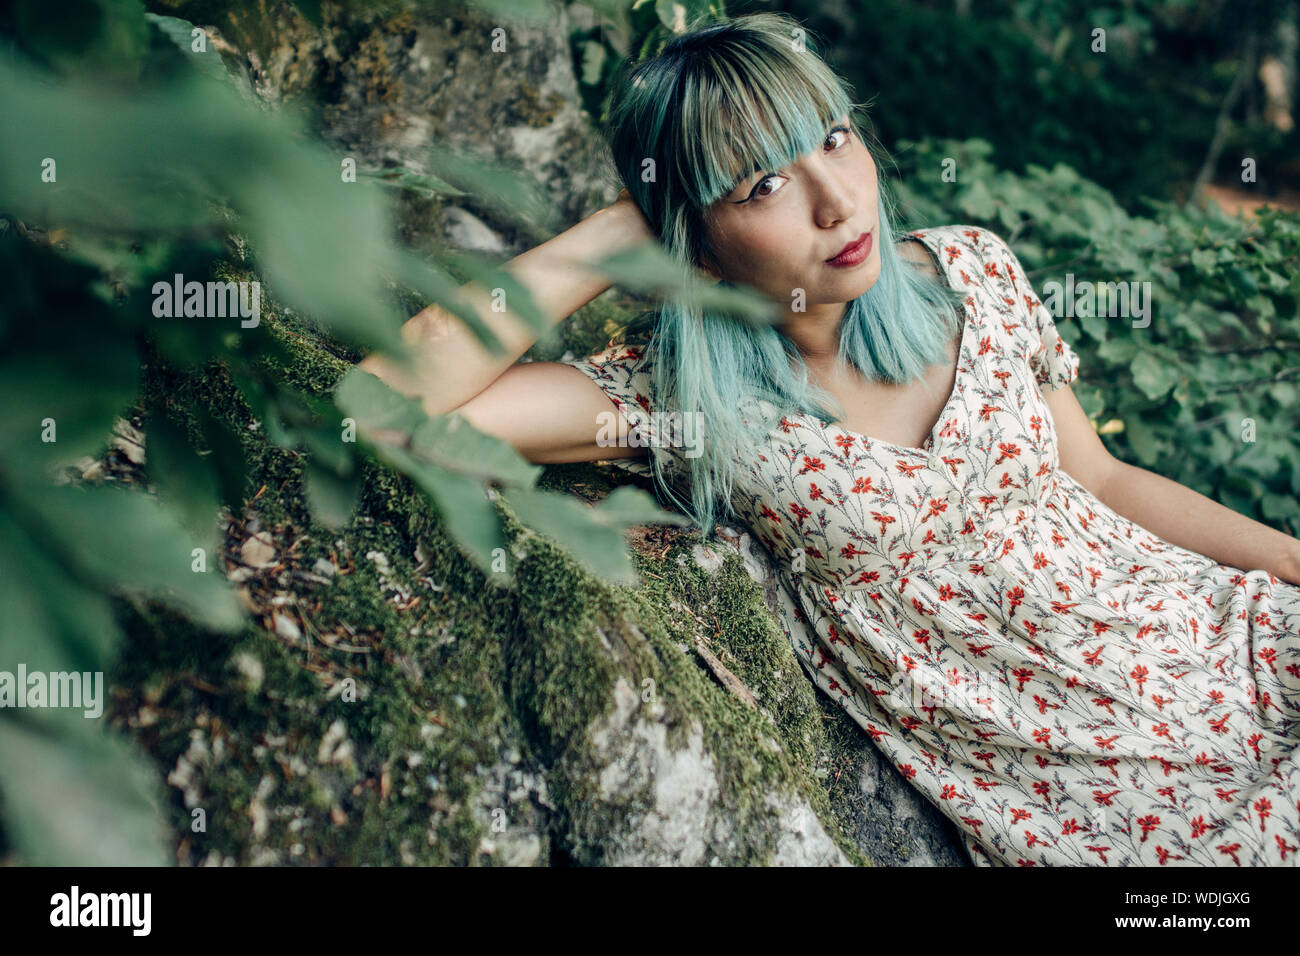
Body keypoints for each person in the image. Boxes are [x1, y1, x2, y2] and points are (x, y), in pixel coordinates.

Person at [357, 12, 1300, 866]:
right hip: (1105, 788)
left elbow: (1101, 476)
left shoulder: (972, 269)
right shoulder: (686, 400)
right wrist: (611, 235)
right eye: (762, 183)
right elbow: (382, 410)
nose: (839, 201)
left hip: (1218, 641)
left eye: (834, 140)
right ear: (694, 235)